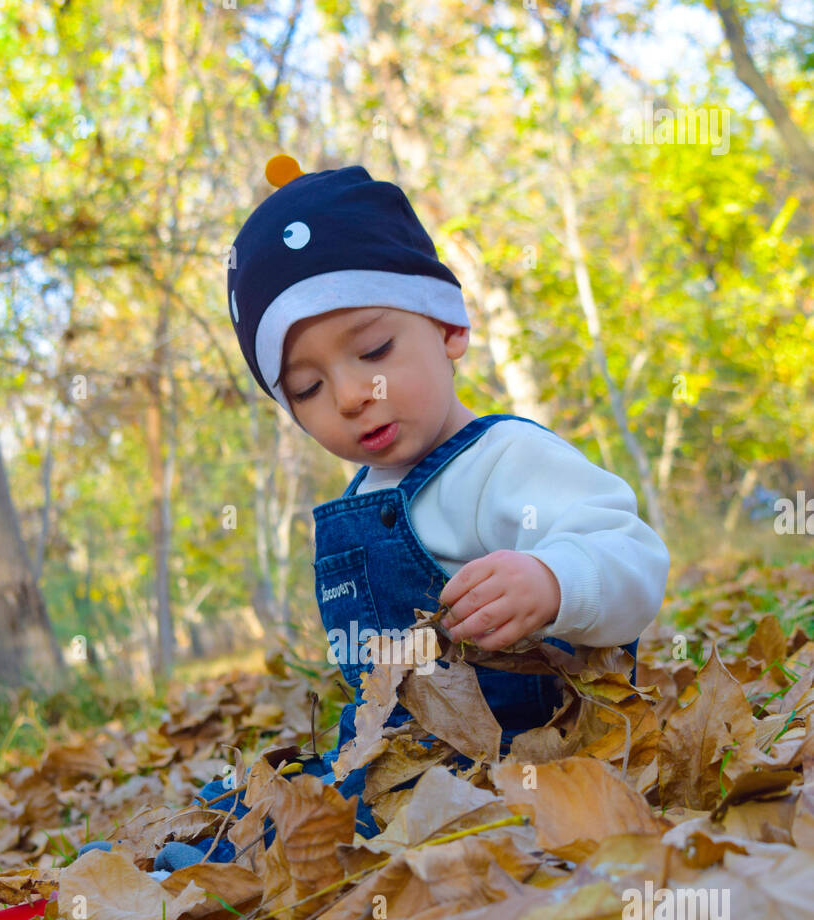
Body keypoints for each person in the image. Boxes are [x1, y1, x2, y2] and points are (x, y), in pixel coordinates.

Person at [82, 155, 669, 874]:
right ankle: (160, 854)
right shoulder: (362, 497)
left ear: (449, 325)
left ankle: (217, 868)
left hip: (513, 760)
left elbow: (632, 555)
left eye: (373, 350)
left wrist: (553, 579)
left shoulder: (504, 458)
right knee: (268, 793)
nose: (353, 394)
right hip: (395, 756)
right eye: (307, 386)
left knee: (321, 827)